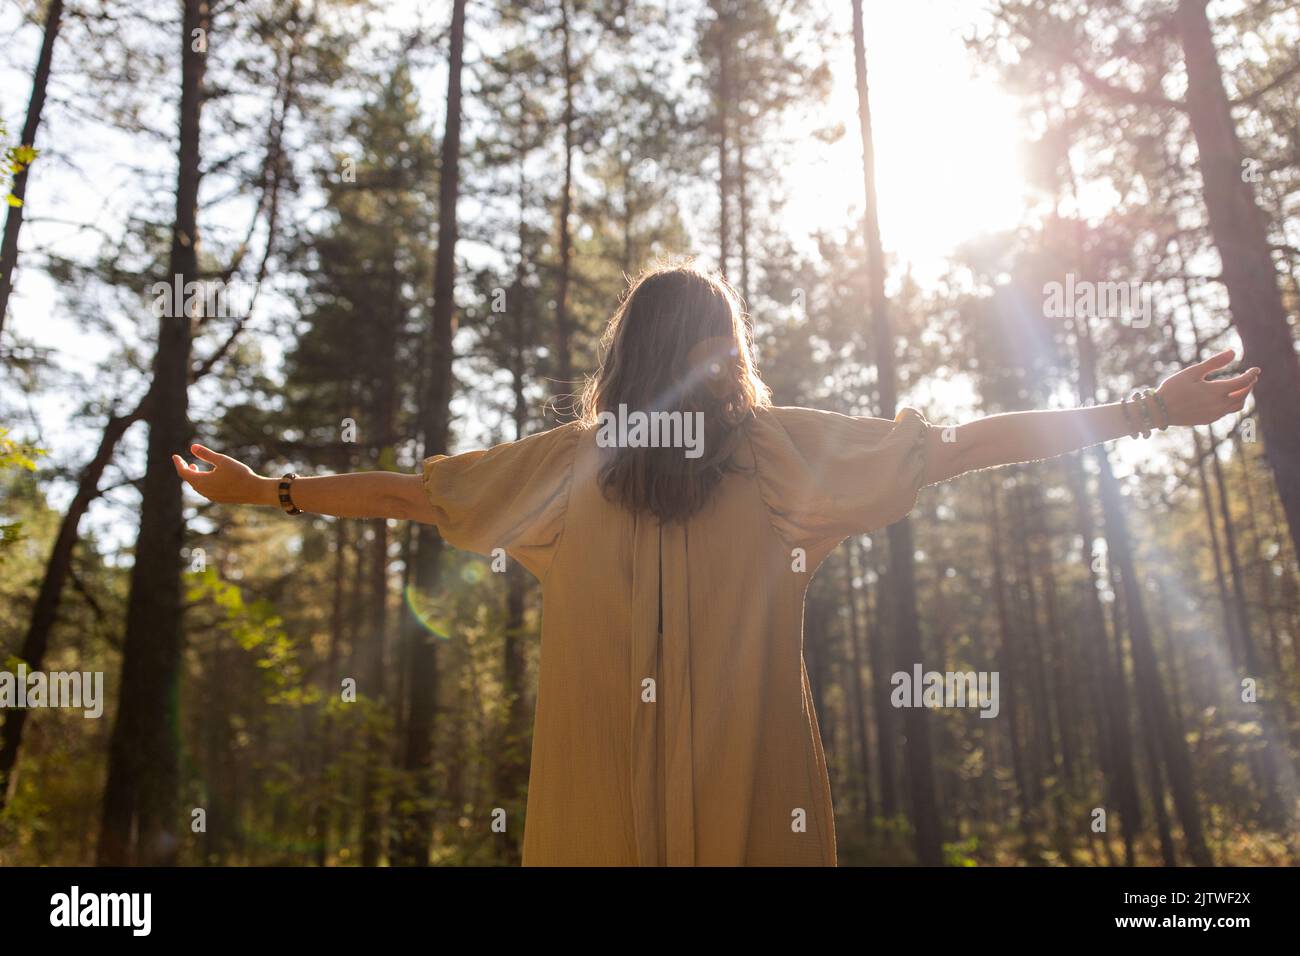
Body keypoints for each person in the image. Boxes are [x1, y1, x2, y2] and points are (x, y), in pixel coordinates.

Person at [173, 263, 1259, 866]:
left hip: (592, 819)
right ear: (726, 352)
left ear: (622, 358)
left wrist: (264, 488)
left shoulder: (566, 470)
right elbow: (966, 441)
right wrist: (1147, 409)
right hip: (758, 813)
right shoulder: (780, 455)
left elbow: (412, 495)